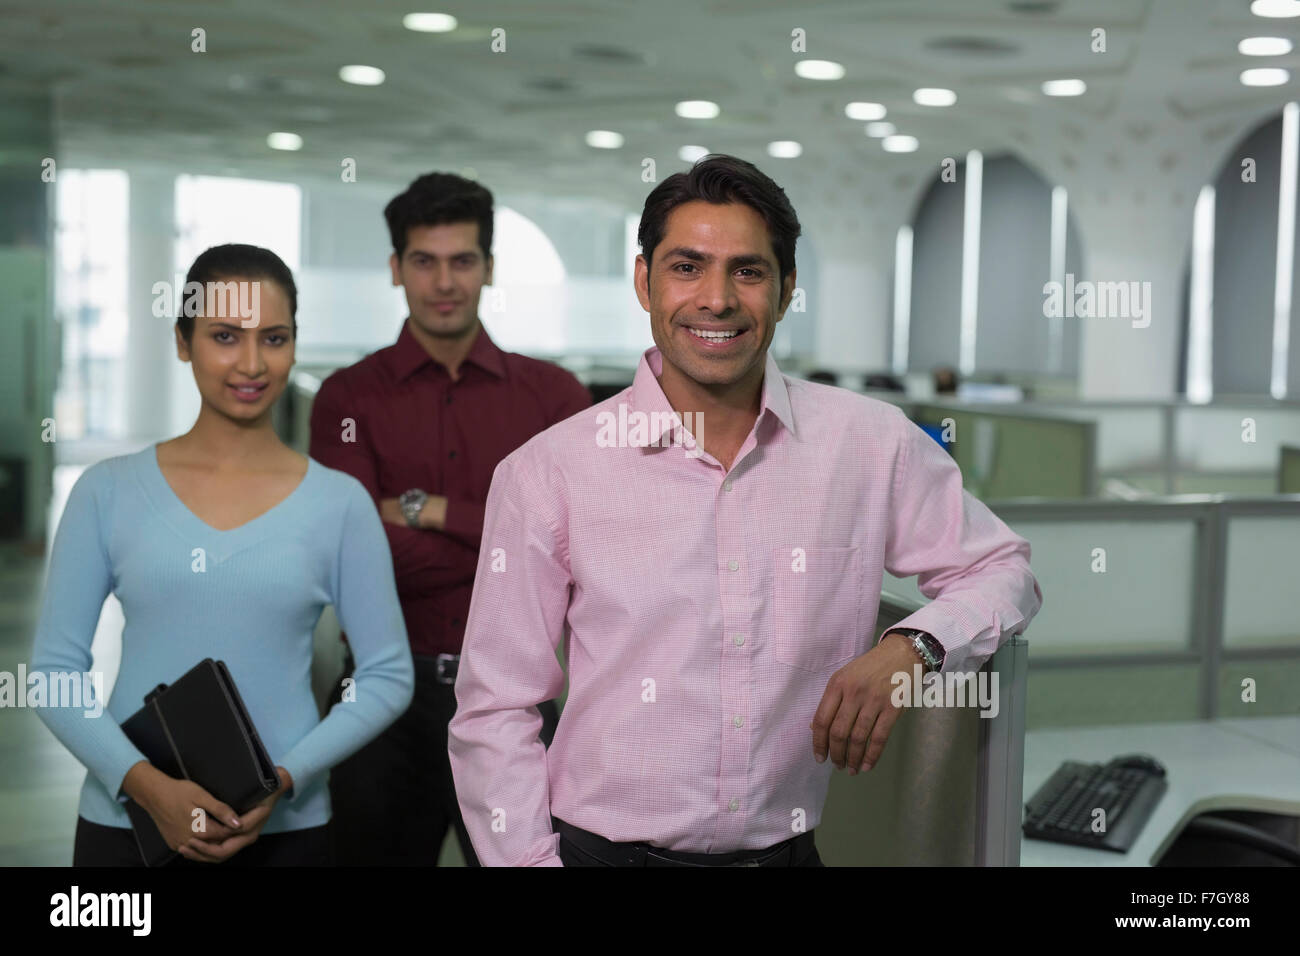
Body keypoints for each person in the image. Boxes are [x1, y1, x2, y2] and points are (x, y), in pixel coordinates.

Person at [448, 155, 1044, 866]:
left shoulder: (869, 445)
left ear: (788, 289)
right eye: (687, 267)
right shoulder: (549, 472)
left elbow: (1004, 568)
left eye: (749, 272)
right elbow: (495, 709)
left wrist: (914, 648)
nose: (717, 299)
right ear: (644, 281)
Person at [29, 244, 414, 866]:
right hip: (126, 830)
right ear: (183, 342)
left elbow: (387, 674)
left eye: (275, 337)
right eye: (225, 336)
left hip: (284, 833)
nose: (252, 363)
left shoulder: (338, 504)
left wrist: (282, 781)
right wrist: (149, 790)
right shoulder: (107, 491)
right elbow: (52, 674)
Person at [310, 172, 590, 866]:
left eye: (462, 260)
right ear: (396, 268)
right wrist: (511, 543)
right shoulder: (347, 398)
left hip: (518, 705)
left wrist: (428, 513)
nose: (444, 282)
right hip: (379, 697)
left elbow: (582, 548)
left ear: (489, 268)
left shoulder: (553, 396)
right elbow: (355, 557)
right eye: (424, 261)